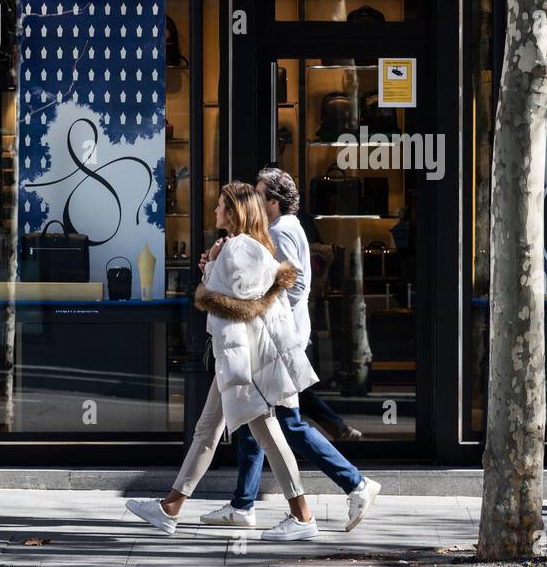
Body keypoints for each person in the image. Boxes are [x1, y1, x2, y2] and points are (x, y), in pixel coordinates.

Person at [126, 182, 321, 542]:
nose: (214, 211)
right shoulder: (247, 246)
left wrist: (215, 262)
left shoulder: (240, 247)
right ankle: (171, 507)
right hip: (236, 358)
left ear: (233, 212)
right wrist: (214, 264)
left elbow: (239, 300)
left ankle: (302, 516)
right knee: (206, 431)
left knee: (269, 435)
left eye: (219, 206)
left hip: (244, 361)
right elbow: (237, 292)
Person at [199, 168, 382, 532]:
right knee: (254, 423)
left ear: (272, 201)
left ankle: (355, 484)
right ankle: (242, 504)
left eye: (260, 193)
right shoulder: (290, 228)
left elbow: (289, 287)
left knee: (288, 425)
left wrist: (228, 281)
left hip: (277, 345)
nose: (254, 199)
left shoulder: (280, 232)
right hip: (278, 343)